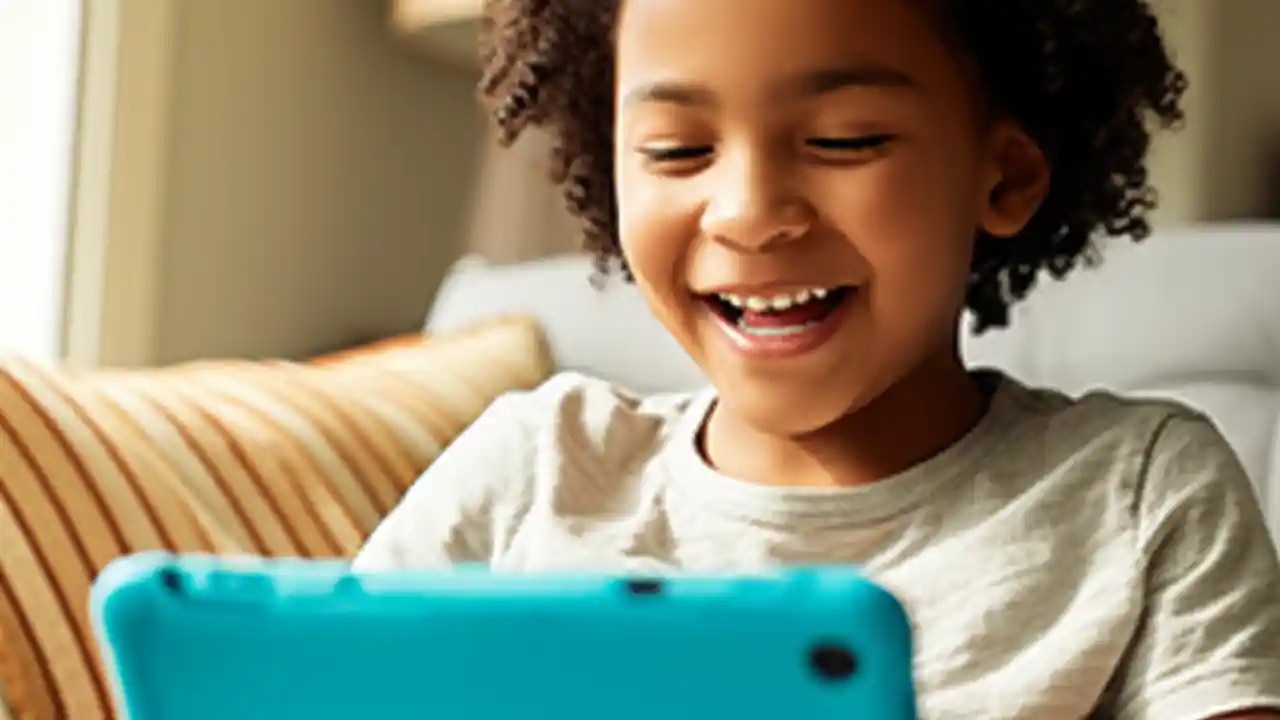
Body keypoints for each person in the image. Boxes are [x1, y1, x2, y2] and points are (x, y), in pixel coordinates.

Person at [355, 0, 1280, 716]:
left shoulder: (1143, 496)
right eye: (677, 151)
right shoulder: (529, 473)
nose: (749, 211)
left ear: (1004, 175)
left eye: (845, 140)